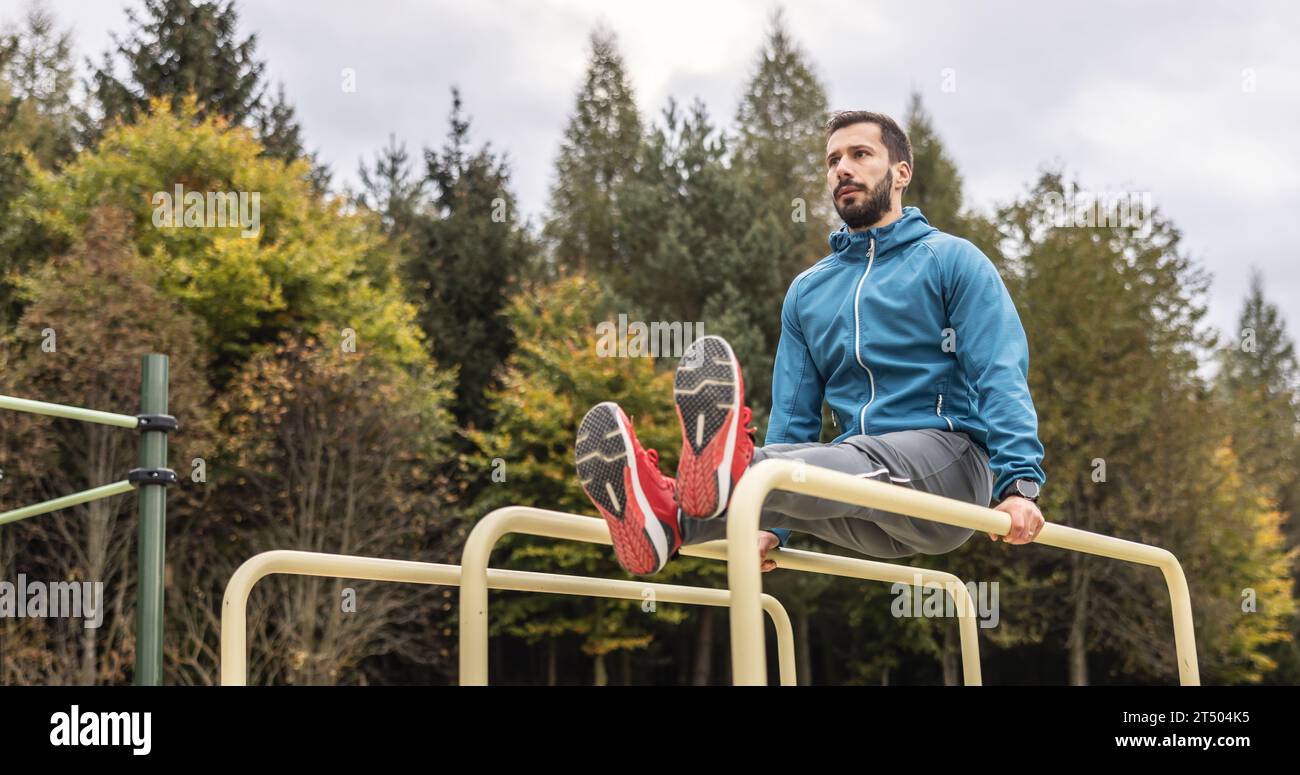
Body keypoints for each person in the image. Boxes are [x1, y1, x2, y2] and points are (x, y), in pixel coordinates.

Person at [573, 109, 1047, 577]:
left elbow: (998, 372)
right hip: (860, 493)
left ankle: (720, 477)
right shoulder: (808, 292)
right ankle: (668, 524)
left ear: (901, 173)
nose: (842, 167)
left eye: (860, 154)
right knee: (822, 464)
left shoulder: (950, 260)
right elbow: (793, 418)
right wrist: (770, 522)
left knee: (824, 464)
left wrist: (1019, 485)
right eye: (832, 159)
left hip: (947, 475)